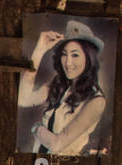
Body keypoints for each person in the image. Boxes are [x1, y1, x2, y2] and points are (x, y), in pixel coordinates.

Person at [18, 20, 107, 156]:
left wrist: (37, 129)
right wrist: (40, 49)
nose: (68, 62)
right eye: (64, 54)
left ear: (89, 58)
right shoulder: (59, 86)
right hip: (39, 164)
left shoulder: (96, 101)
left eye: (75, 55)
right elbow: (22, 99)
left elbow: (57, 145)